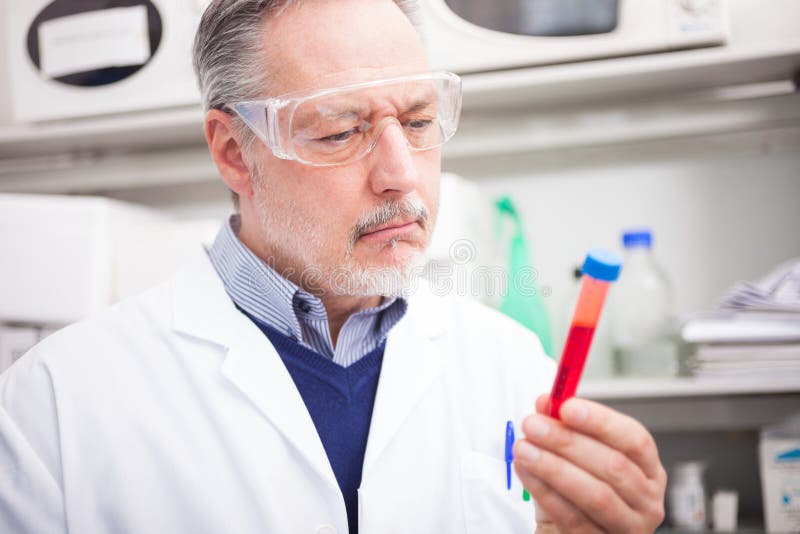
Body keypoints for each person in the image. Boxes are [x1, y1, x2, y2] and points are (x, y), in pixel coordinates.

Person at [0, 0, 666, 532]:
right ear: (235, 152)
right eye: (341, 131)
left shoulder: (513, 369)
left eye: (418, 120)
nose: (401, 175)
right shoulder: (53, 407)